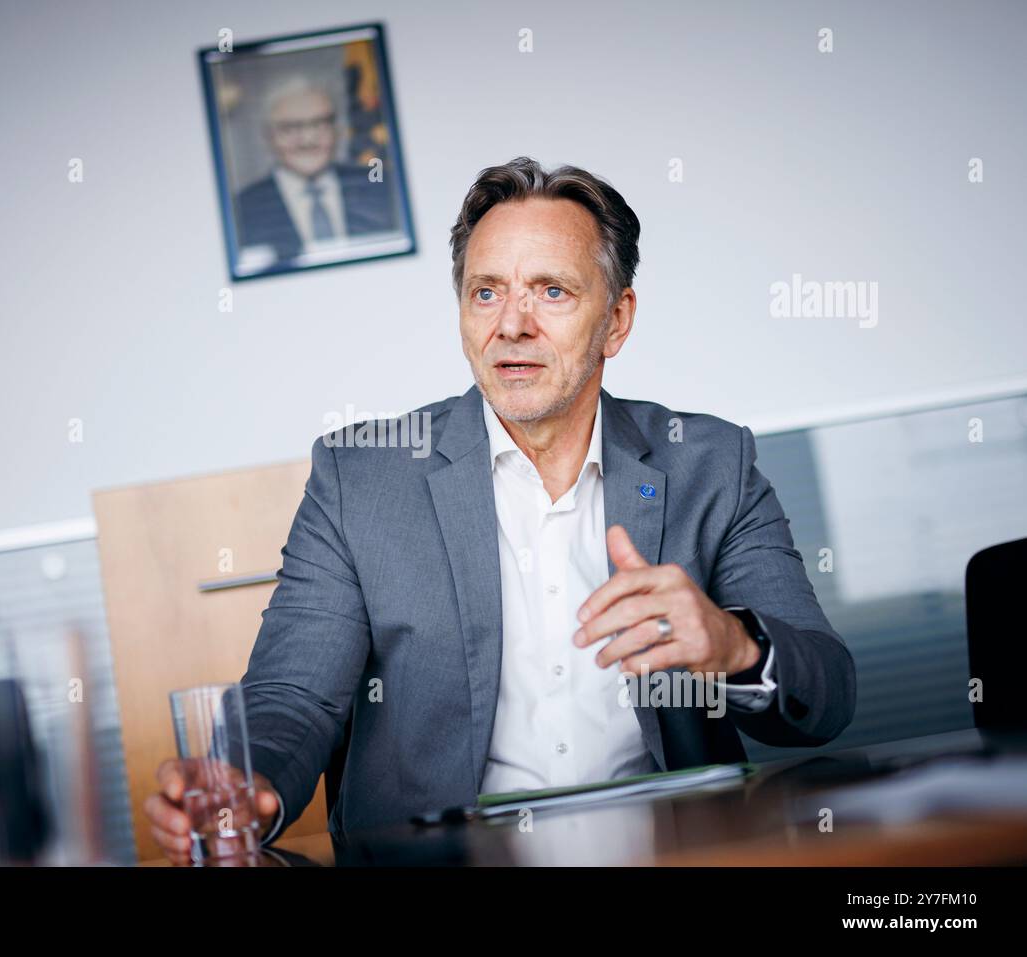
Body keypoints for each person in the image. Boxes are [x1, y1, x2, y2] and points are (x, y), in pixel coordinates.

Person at [147, 156, 856, 863]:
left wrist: (733, 645)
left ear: (616, 319)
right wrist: (250, 780)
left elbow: (826, 695)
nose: (511, 325)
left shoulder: (710, 464)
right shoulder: (358, 480)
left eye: (551, 291)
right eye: (486, 292)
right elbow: (293, 696)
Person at [234, 75, 395, 266]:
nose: (307, 139)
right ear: (268, 136)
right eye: (291, 128)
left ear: (337, 129)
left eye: (319, 123)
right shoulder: (241, 211)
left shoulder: (382, 188)